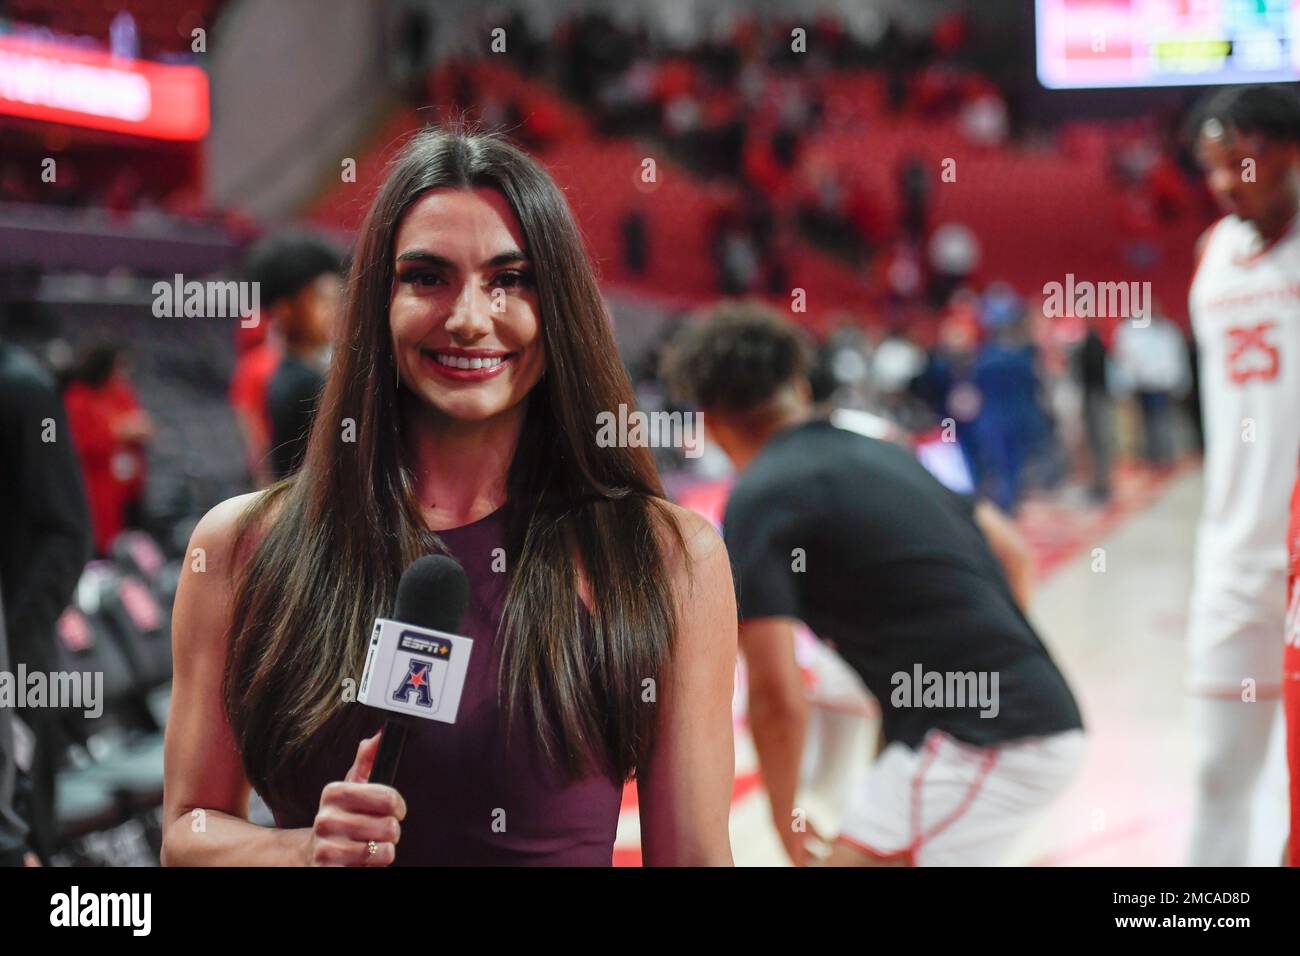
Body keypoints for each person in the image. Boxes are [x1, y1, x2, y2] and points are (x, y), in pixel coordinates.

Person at [161, 128, 737, 867]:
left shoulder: (666, 557)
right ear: (378, 302)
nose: (469, 317)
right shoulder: (241, 546)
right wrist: (300, 849)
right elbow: (189, 831)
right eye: (427, 278)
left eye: (511, 278)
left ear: (558, 303)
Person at [661, 301, 1084, 866]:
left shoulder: (759, 495)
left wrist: (785, 816)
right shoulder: (883, 448)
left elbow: (774, 690)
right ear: (798, 384)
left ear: (708, 418)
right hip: (1001, 720)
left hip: (988, 738)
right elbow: (1012, 551)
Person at [1185, 84, 1300, 866]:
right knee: (1218, 771)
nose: (1226, 183)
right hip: (1232, 552)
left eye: (1241, 162)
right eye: (1214, 168)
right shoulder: (1213, 253)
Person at [0, 332, 93, 864]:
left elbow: (68, 533)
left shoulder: (22, 391)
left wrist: (15, 643)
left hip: (19, 664)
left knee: (22, 833)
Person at [242, 232, 345, 481]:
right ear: (284, 310)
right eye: (322, 299)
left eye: (337, 299)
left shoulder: (300, 375)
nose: (335, 311)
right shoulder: (303, 384)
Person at [62, 343, 154, 555]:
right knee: (101, 540)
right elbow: (85, 442)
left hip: (128, 483)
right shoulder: (78, 397)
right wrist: (119, 431)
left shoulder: (120, 391)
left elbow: (140, 423)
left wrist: (123, 429)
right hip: (96, 483)